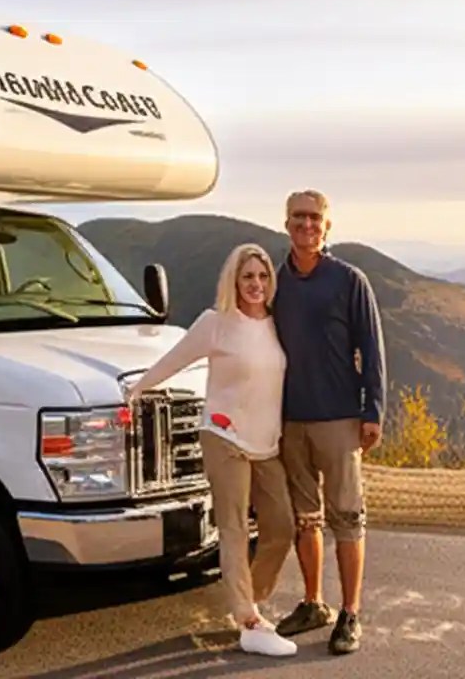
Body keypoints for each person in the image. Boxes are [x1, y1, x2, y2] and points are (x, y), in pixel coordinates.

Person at [124, 243, 298, 658]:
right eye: (247, 277)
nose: (255, 284)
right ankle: (249, 619)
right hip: (223, 434)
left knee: (281, 527)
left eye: (261, 276)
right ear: (233, 282)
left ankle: (246, 599)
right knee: (234, 526)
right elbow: (175, 360)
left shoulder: (276, 325)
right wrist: (135, 390)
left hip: (266, 441)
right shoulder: (215, 323)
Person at [271, 189, 386, 656]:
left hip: (339, 419)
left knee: (348, 519)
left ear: (327, 226)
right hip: (290, 420)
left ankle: (350, 612)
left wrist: (373, 410)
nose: (306, 224)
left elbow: (372, 348)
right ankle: (313, 603)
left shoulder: (349, 280)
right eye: (298, 216)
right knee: (306, 519)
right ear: (286, 223)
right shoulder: (273, 280)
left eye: (315, 217)